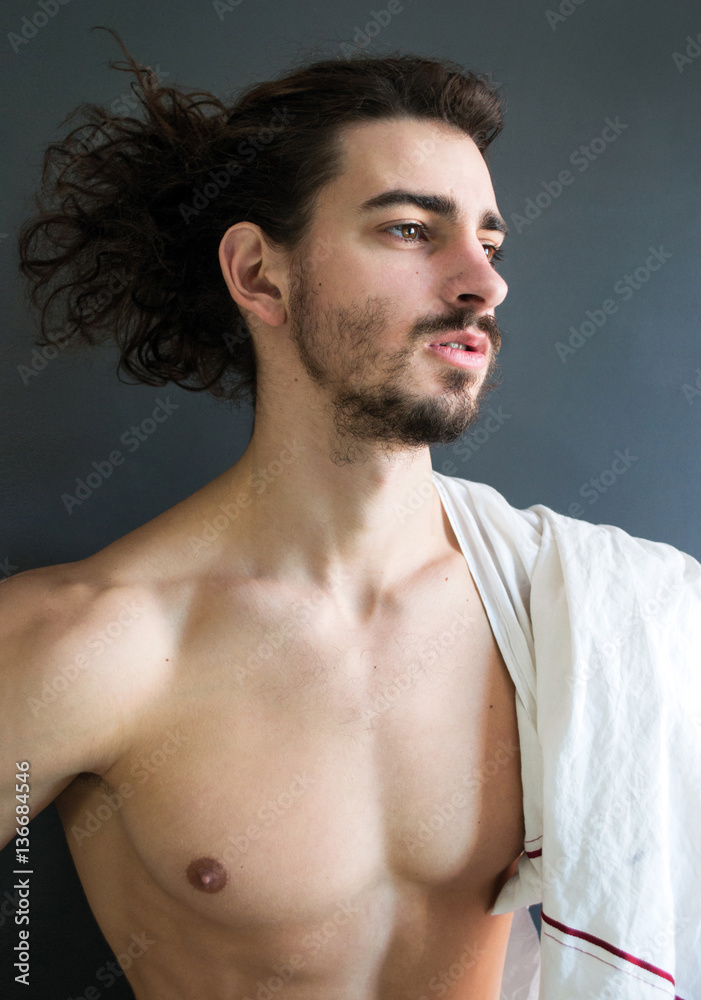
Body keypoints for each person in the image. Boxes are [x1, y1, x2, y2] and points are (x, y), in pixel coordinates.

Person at [3, 26, 699, 1000]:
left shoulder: (593, 615)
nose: (483, 283)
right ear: (259, 274)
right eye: (410, 230)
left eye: (489, 242)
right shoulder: (81, 640)